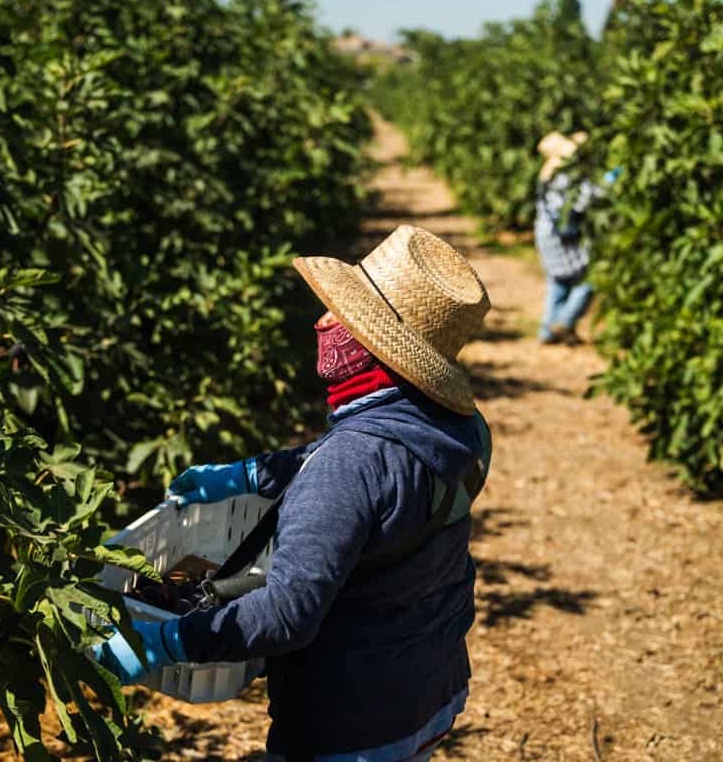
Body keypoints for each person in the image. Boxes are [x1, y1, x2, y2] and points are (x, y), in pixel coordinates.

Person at [92, 225, 493, 761]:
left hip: (349, 725)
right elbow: (376, 475)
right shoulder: (459, 432)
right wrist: (250, 475)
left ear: (377, 347)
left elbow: (286, 613)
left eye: (344, 315)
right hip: (431, 686)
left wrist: (162, 643)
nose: (321, 321)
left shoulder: (349, 466)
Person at [533, 130, 602, 346]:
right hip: (561, 236)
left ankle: (547, 331)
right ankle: (564, 321)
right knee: (588, 279)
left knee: (558, 282)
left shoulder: (547, 175)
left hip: (545, 233)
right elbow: (582, 200)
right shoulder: (564, 177)